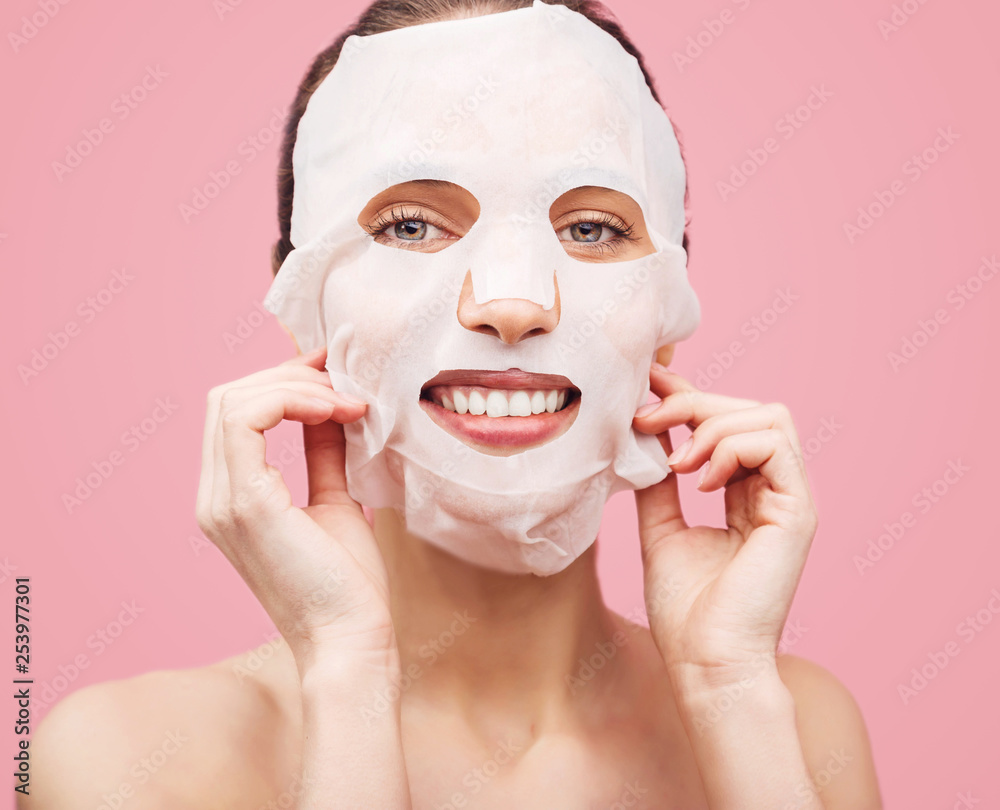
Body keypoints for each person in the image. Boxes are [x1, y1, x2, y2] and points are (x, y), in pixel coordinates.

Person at [25, 1, 882, 808]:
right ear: (306, 305)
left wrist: (728, 692)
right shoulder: (124, 760)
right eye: (409, 226)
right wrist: (348, 670)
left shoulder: (791, 727)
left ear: (667, 313)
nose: (511, 303)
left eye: (590, 228)